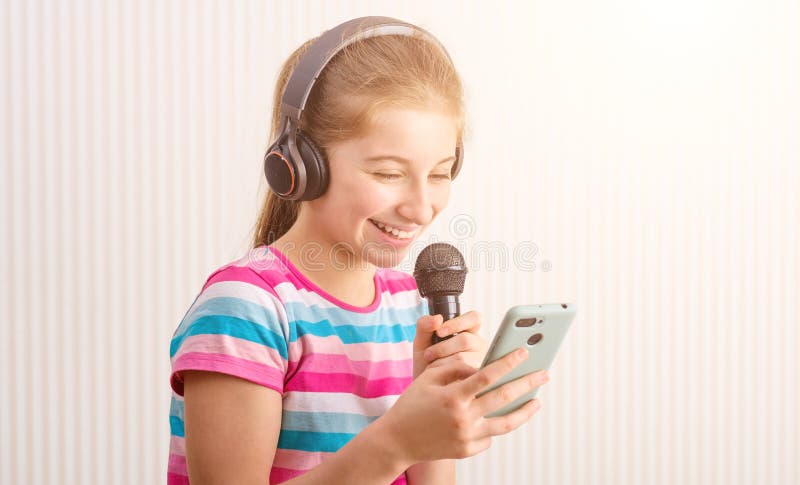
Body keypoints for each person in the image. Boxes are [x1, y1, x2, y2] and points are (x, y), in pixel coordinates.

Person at [167, 17, 549, 485]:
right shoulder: (247, 310)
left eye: (440, 173)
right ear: (299, 167)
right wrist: (397, 441)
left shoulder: (411, 304)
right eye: (388, 174)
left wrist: (435, 408)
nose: (421, 207)